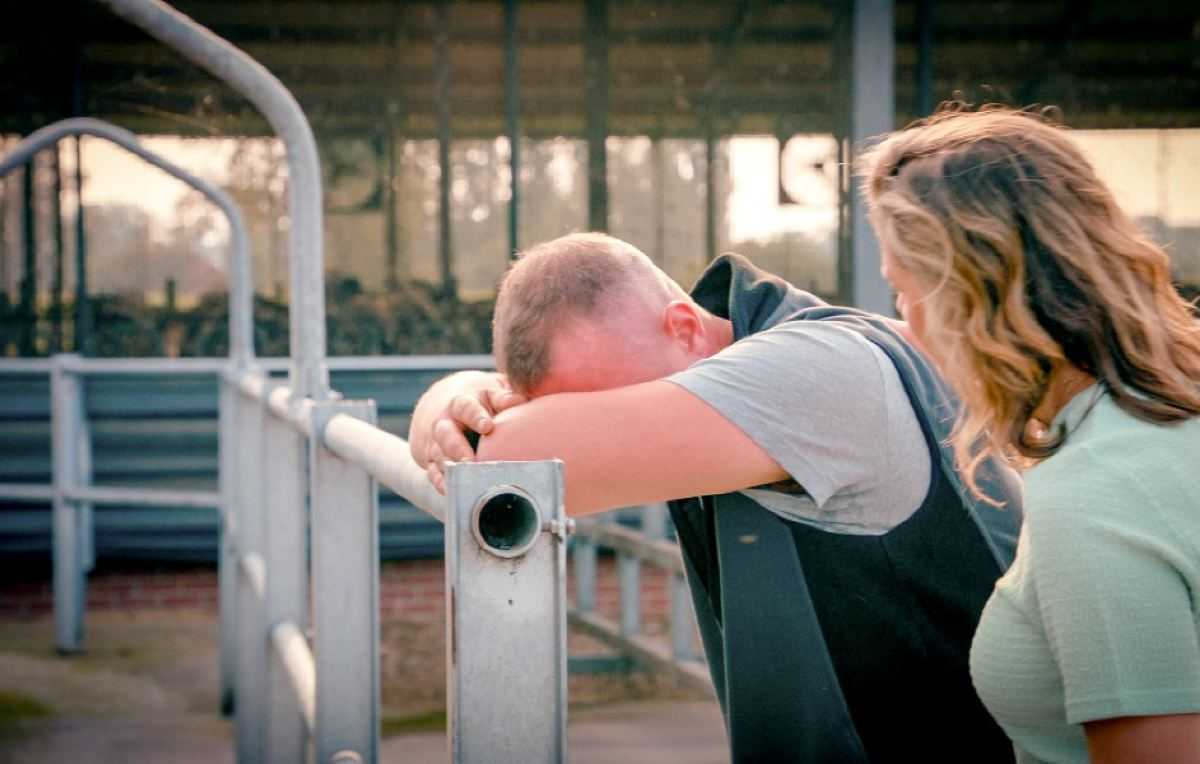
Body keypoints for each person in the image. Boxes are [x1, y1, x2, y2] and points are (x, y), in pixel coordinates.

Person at [410, 232, 1022, 762]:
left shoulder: (813, 372)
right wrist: (464, 392)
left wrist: (450, 400)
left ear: (683, 325)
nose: (604, 420)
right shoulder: (778, 343)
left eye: (602, 402)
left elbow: (499, 462)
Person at [861, 106, 1200, 763]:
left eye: (902, 293)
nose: (906, 327)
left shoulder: (1096, 491)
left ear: (968, 301)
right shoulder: (1161, 419)